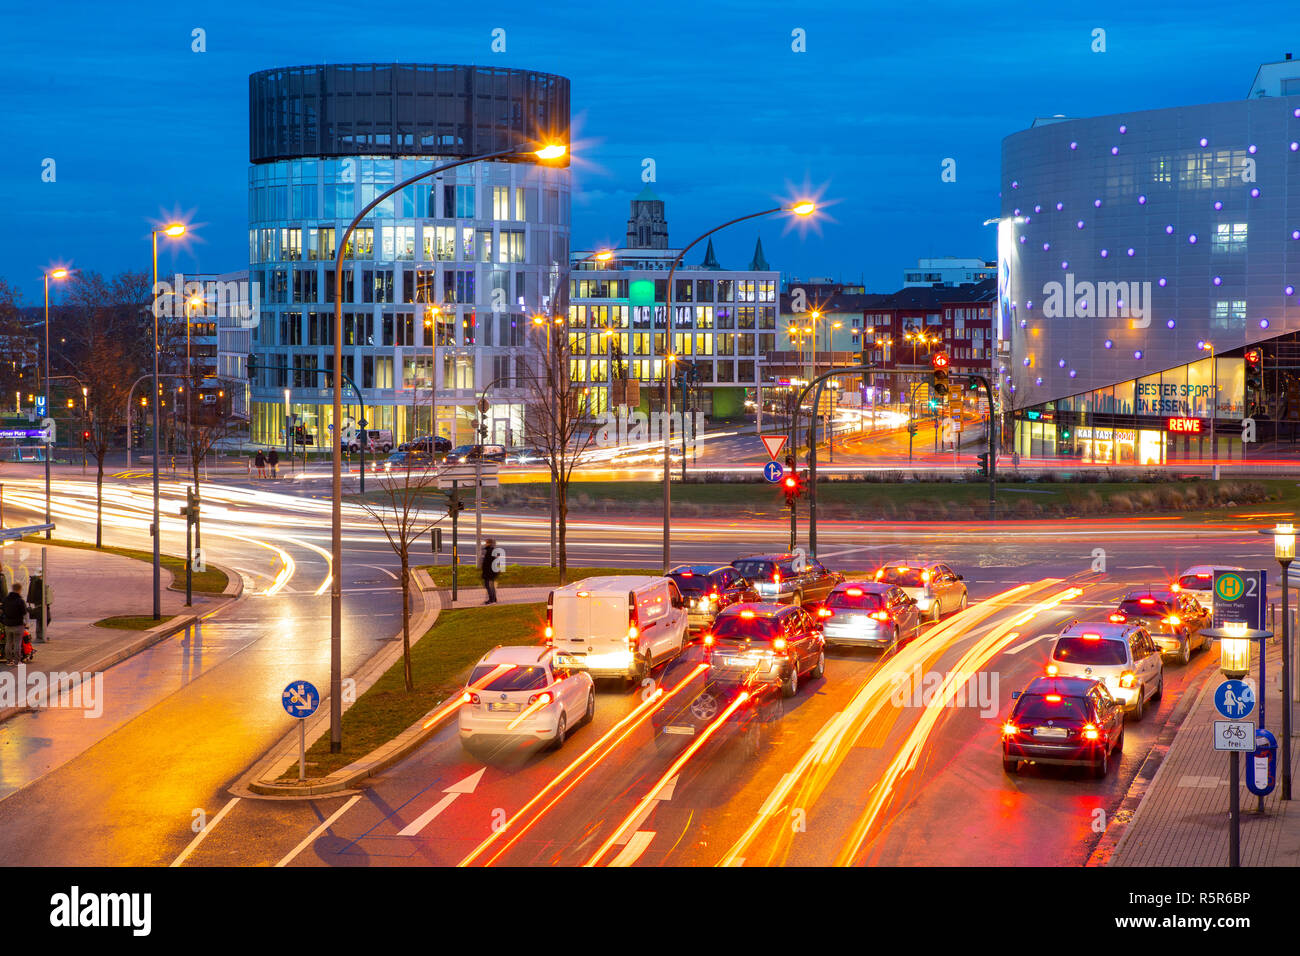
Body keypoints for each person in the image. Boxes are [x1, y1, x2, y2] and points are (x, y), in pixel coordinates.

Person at [2, 583, 26, 666]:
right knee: (17, 643)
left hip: (8, 625)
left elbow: (3, 610)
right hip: (18, 625)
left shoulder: (6, 600)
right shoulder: (20, 601)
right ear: (19, 590)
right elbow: (24, 612)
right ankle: (17, 661)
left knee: (8, 643)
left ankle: (9, 660)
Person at [27, 574, 50, 643]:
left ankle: (41, 634)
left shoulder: (34, 581)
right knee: (43, 618)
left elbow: (30, 593)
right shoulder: (38, 582)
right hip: (40, 603)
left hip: (39, 602)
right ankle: (40, 635)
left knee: (40, 618)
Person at [480, 538, 500, 605]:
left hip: (489, 572)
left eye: (486, 542)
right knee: (490, 586)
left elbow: (489, 563)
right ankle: (493, 599)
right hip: (490, 572)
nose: (485, 544)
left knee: (489, 586)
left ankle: (492, 600)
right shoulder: (490, 550)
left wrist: (486, 571)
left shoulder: (490, 551)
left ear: (489, 543)